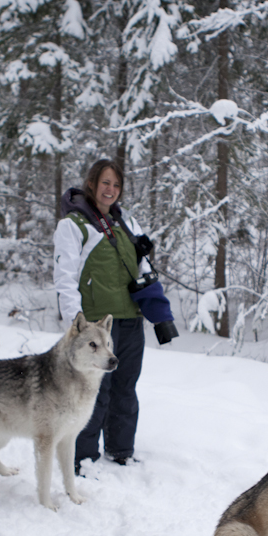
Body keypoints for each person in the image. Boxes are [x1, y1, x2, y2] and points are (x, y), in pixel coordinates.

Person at [53, 159, 172, 471]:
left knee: (125, 386)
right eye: (105, 183)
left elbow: (143, 271)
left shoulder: (126, 224)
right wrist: (75, 323)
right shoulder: (74, 226)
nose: (111, 190)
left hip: (130, 318)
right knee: (93, 389)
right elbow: (64, 278)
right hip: (94, 324)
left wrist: (159, 313)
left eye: (116, 185)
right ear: (92, 184)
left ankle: (121, 452)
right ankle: (83, 457)